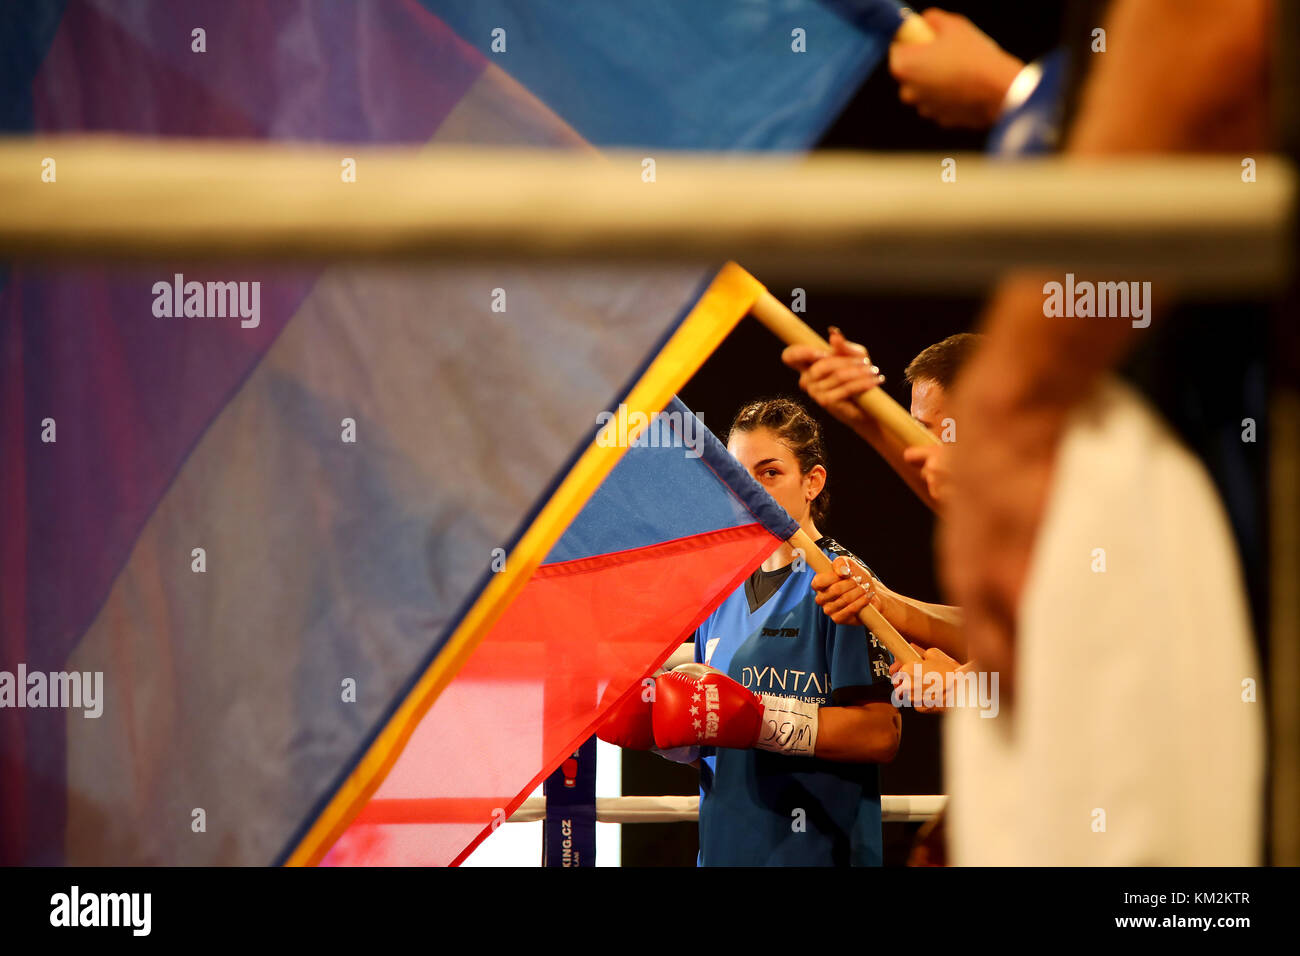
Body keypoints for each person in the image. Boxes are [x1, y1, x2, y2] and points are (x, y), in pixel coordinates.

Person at [598, 397, 901, 865]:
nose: (750, 489)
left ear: (812, 482)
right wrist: (670, 735)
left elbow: (881, 734)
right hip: (726, 850)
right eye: (738, 474)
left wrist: (761, 720)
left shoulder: (845, 583)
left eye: (771, 472)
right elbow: (721, 726)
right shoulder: (719, 590)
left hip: (816, 854)